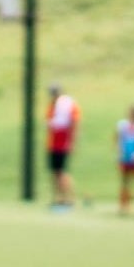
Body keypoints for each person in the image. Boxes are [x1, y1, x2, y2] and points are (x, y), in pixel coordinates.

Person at [45, 84, 80, 212]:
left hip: (63, 143)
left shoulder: (68, 105)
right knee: (55, 172)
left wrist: (72, 142)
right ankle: (58, 199)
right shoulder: (52, 107)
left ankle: (69, 199)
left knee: (62, 172)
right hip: (52, 144)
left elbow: (75, 123)